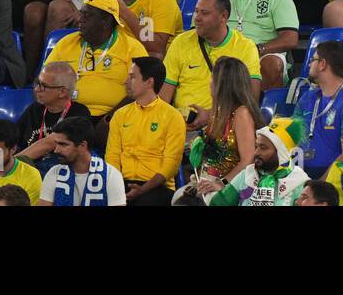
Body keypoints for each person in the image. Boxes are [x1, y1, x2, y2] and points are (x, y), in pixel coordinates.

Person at [45, 0, 148, 143]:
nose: (80, 19)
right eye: (81, 14)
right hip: (67, 115)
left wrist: (109, 119)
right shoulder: (66, 43)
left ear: (106, 21)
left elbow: (140, 92)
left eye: (87, 15)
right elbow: (45, 82)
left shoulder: (132, 48)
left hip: (110, 119)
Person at [161, 0, 262, 129]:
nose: (197, 17)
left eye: (204, 13)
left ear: (223, 16)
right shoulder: (181, 42)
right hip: (181, 126)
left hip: (225, 127)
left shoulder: (245, 47)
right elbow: (164, 96)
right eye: (196, 11)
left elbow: (251, 100)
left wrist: (211, 116)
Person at [0, 61, 90, 174]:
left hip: (59, 174)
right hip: (28, 171)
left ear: (62, 92)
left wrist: (11, 164)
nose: (36, 89)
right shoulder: (35, 109)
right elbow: (12, 136)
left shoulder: (79, 113)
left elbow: (49, 143)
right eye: (37, 83)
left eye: (43, 86)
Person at [107, 56, 186, 205]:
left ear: (149, 82)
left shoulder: (172, 116)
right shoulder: (120, 115)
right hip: (121, 183)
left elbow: (171, 165)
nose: (126, 82)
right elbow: (112, 157)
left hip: (157, 187)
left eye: (132, 77)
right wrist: (116, 188)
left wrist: (143, 189)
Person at [291, 39, 343, 178]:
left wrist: (321, 184)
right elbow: (291, 134)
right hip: (297, 173)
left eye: (313, 59)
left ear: (322, 64)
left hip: (334, 180)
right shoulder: (308, 97)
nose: (309, 63)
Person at [189, 57, 262, 194]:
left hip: (232, 187)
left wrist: (222, 183)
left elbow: (248, 159)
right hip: (208, 181)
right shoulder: (218, 111)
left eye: (213, 78)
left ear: (223, 83)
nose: (209, 82)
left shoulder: (242, 113)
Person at [205, 117, 309, 206]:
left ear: (281, 153)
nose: (256, 152)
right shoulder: (247, 175)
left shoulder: (299, 183)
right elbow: (220, 202)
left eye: (263, 148)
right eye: (256, 146)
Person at [38, 116, 127, 206]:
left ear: (82, 145)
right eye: (56, 144)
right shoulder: (54, 172)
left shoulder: (111, 175)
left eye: (63, 144)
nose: (56, 150)